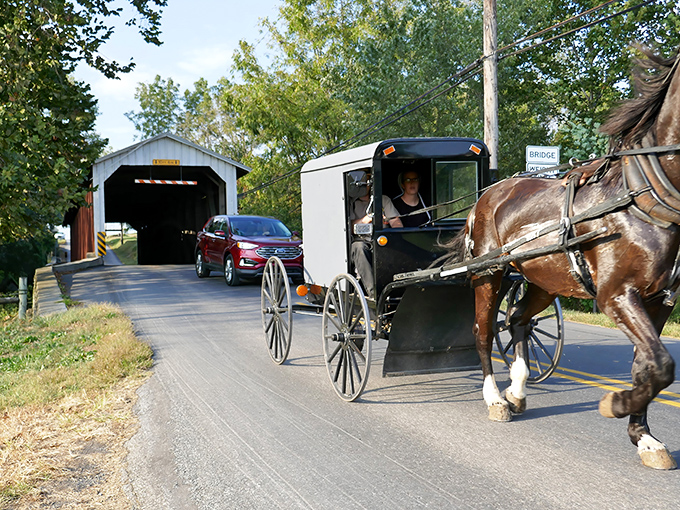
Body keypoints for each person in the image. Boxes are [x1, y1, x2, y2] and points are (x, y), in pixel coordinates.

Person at [350, 171, 403, 298]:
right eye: (363, 181)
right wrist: (367, 219)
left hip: (381, 241)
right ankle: (374, 294)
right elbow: (350, 228)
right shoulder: (352, 202)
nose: (366, 184)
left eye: (368, 181)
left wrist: (388, 222)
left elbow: (398, 224)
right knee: (359, 247)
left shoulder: (383, 200)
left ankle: (399, 289)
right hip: (361, 243)